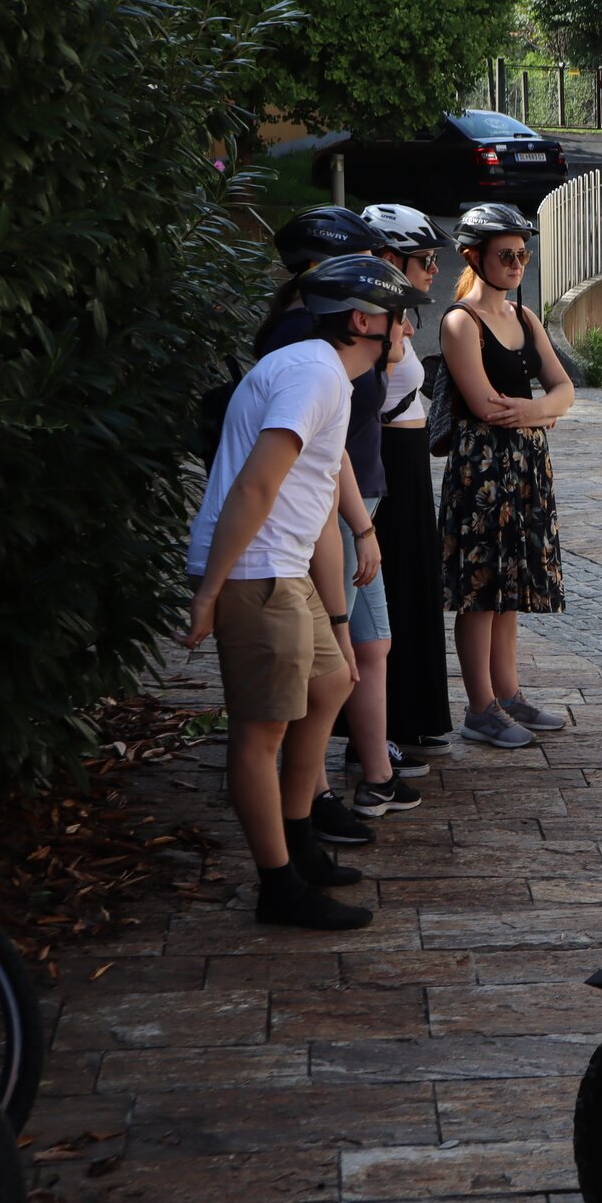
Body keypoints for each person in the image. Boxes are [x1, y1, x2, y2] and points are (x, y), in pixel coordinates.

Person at [179, 255, 430, 930]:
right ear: (363, 321)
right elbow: (258, 485)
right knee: (260, 734)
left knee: (330, 683)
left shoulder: (331, 380)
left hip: (282, 566)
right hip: (254, 569)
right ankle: (278, 885)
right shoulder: (315, 374)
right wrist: (209, 591)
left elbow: (317, 505)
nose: (407, 331)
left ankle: (299, 843)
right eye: (398, 317)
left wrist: (342, 628)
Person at [257, 207, 414, 840]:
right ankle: (315, 797)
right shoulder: (307, 344)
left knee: (361, 649)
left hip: (353, 502)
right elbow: (325, 449)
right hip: (328, 509)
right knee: (334, 659)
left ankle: (362, 776)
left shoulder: (317, 338)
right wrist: (359, 521)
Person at [438, 202, 575, 749]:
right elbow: (482, 403)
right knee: (480, 588)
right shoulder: (458, 322)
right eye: (506, 254)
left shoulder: (525, 318)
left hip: (523, 467)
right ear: (475, 256)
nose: (518, 263)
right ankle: (479, 708)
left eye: (522, 253)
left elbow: (565, 391)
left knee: (509, 585)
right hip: (482, 469)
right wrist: (537, 412)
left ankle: (507, 693)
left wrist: (532, 411)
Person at [361, 204, 458, 767]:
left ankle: (414, 717)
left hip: (409, 460)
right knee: (391, 586)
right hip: (385, 461)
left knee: (415, 583)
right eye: (424, 261)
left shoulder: (401, 311)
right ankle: (385, 727)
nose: (431, 272)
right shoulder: (371, 316)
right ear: (391, 258)